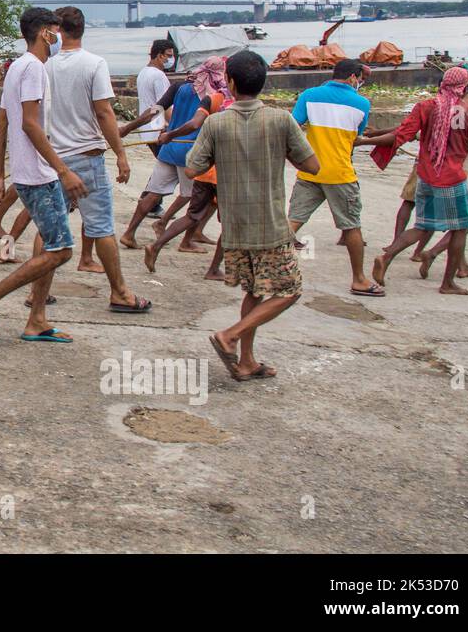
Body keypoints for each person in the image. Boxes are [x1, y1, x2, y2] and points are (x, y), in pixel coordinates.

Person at [186, 50, 319, 383]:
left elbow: (192, 167)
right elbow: (311, 165)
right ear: (263, 83)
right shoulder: (280, 119)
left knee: (254, 291)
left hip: (234, 225)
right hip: (270, 224)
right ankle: (229, 335)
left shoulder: (217, 123)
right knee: (290, 290)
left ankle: (246, 361)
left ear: (230, 83)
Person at [0, 8, 86, 343]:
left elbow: (1, 122)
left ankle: (37, 320)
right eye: (55, 31)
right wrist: (63, 171)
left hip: (26, 172)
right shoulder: (33, 68)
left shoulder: (18, 67)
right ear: (45, 32)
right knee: (61, 249)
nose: (58, 38)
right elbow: (30, 123)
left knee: (50, 244)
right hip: (39, 174)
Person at [38, 7, 149, 312]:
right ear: (82, 30)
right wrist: (121, 154)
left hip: (54, 159)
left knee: (47, 228)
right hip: (87, 157)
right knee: (101, 226)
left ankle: (38, 293)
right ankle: (120, 293)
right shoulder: (94, 64)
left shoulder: (45, 66)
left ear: (57, 31)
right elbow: (104, 112)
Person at [370, 66, 468, 294]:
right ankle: (448, 283)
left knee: (422, 226)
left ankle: (386, 257)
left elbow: (401, 135)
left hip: (425, 176)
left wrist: (365, 142)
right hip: (453, 179)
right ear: (464, 86)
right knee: (461, 228)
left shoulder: (426, 107)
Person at [285, 59, 383, 296]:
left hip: (310, 169)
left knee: (293, 221)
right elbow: (355, 137)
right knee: (351, 227)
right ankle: (359, 279)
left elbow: (293, 127)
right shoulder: (361, 104)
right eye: (359, 79)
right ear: (352, 77)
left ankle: (266, 268)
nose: (359, 82)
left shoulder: (309, 95)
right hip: (340, 173)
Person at [140, 57, 230, 272]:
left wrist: (166, 133)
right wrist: (171, 134)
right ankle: (210, 265)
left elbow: (160, 110)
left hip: (193, 156)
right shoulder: (220, 98)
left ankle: (177, 236)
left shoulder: (190, 90)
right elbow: (194, 124)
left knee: (192, 208)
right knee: (219, 214)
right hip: (207, 161)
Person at [119, 54, 216, 248]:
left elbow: (154, 110)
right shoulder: (212, 94)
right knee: (191, 196)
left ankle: (129, 233)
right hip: (190, 150)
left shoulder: (178, 87)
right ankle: (176, 233)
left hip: (169, 148)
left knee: (153, 193)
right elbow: (200, 123)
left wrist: (128, 127)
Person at [414, 65, 468, 277]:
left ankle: (461, 265)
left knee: (442, 222)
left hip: (438, 171)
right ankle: (433, 253)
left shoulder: (440, 104)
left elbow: (422, 134)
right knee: (465, 222)